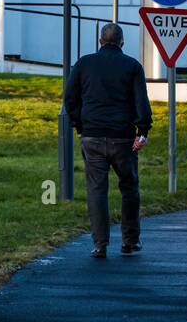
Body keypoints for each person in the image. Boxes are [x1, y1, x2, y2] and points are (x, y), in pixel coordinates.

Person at [65, 23, 152, 258]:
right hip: (122, 137)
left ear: (99, 42)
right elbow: (141, 102)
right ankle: (130, 240)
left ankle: (100, 244)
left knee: (96, 190)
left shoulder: (84, 63)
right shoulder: (132, 66)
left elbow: (70, 98)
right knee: (129, 187)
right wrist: (142, 131)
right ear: (122, 43)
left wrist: (80, 126)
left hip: (92, 135)